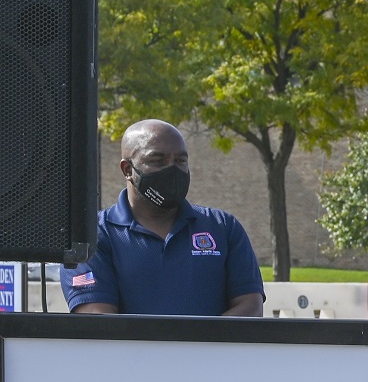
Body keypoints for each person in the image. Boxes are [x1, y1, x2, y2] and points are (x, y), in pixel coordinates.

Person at [65, 120, 264, 316]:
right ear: (127, 170)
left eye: (180, 160)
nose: (172, 170)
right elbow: (99, 321)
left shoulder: (223, 227)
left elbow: (250, 307)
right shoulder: (92, 237)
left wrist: (197, 339)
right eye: (157, 161)